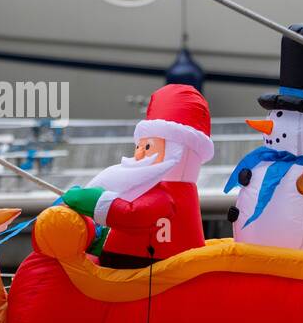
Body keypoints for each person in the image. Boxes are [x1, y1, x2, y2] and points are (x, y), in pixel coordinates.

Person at [61, 83, 214, 268]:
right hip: (127, 262)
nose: (139, 154)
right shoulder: (148, 186)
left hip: (151, 268)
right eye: (139, 147)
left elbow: (133, 215)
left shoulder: (166, 197)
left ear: (177, 151)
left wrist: (94, 201)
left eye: (147, 147)